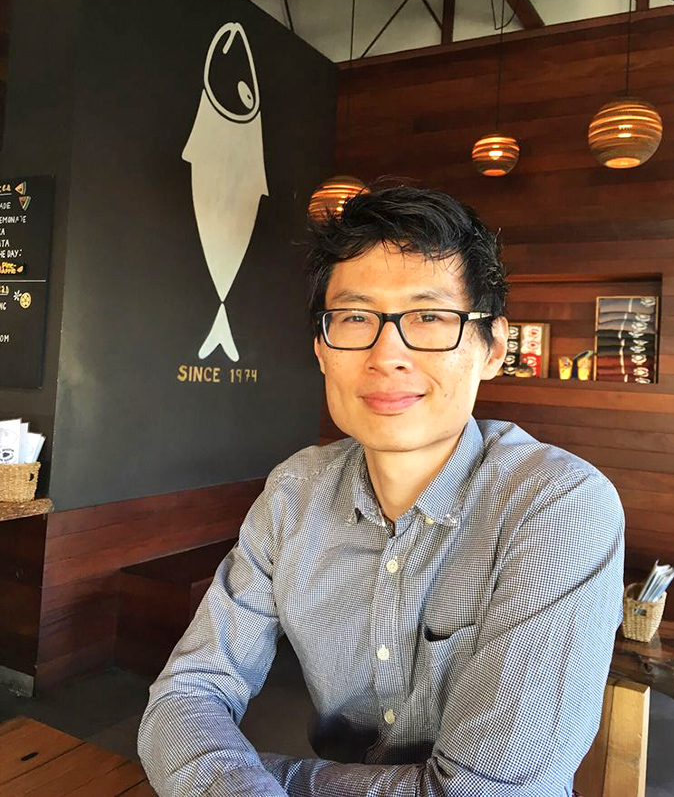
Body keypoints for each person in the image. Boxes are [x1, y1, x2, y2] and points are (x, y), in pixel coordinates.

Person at [138, 186, 624, 797]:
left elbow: (489, 791)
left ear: (494, 348)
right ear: (322, 349)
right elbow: (188, 690)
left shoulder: (556, 503)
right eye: (355, 318)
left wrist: (254, 778)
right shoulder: (295, 493)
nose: (386, 354)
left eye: (430, 318)